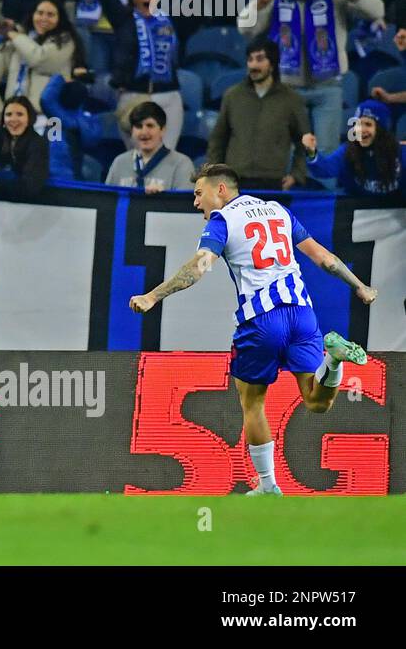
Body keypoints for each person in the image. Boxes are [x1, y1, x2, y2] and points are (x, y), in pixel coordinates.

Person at [130, 163, 377, 496]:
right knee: (317, 402)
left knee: (252, 403)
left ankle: (268, 485)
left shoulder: (224, 219)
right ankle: (333, 360)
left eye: (198, 193)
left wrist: (153, 295)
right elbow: (323, 257)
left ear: (221, 190)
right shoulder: (277, 211)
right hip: (303, 314)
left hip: (262, 320)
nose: (195, 203)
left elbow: (200, 266)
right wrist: (360, 286)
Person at [239, 0, 385, 156]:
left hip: (327, 86)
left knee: (326, 152)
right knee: (284, 152)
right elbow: (245, 29)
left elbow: (378, 10)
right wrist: (261, 4)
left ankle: (325, 188)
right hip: (287, 86)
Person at [97, 0, 183, 149]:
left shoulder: (170, 21)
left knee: (167, 157)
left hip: (168, 97)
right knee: (137, 161)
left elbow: (197, 12)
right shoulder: (123, 19)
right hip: (133, 96)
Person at [206, 37, 310, 190]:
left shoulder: (291, 99)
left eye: (260, 59)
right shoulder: (233, 96)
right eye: (250, 60)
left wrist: (296, 174)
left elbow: (304, 142)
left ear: (273, 64)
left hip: (273, 182)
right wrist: (215, 174)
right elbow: (218, 139)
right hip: (235, 181)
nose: (253, 65)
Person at [0, 0, 82, 119]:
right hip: (16, 120)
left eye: (50, 15)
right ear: (32, 15)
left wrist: (14, 35)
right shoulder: (17, 40)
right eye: (40, 13)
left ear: (60, 19)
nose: (44, 18)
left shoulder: (64, 41)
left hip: (50, 119)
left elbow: (38, 59)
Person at [302, 100, 406, 196]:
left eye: (368, 124)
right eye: (358, 124)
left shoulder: (400, 152)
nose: (361, 130)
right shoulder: (347, 151)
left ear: (381, 130)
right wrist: (311, 151)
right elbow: (323, 170)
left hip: (395, 211)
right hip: (357, 211)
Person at [104, 101, 195, 192]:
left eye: (150, 126)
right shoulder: (119, 163)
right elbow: (107, 201)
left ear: (162, 130)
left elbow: (184, 204)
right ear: (132, 131)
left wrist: (163, 198)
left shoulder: (181, 164)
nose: (144, 132)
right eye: (138, 126)